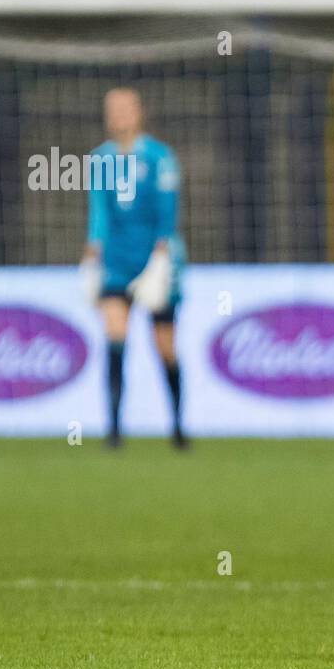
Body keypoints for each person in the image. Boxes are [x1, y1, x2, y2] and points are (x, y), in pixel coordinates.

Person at [82, 87, 189, 449]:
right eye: (112, 109)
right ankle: (114, 430)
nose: (118, 115)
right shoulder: (100, 159)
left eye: (125, 108)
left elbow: (167, 213)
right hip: (117, 262)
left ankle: (178, 427)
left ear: (139, 112)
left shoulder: (160, 157)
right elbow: (99, 212)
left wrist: (161, 255)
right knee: (115, 335)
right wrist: (92, 252)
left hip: (155, 261)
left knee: (165, 347)